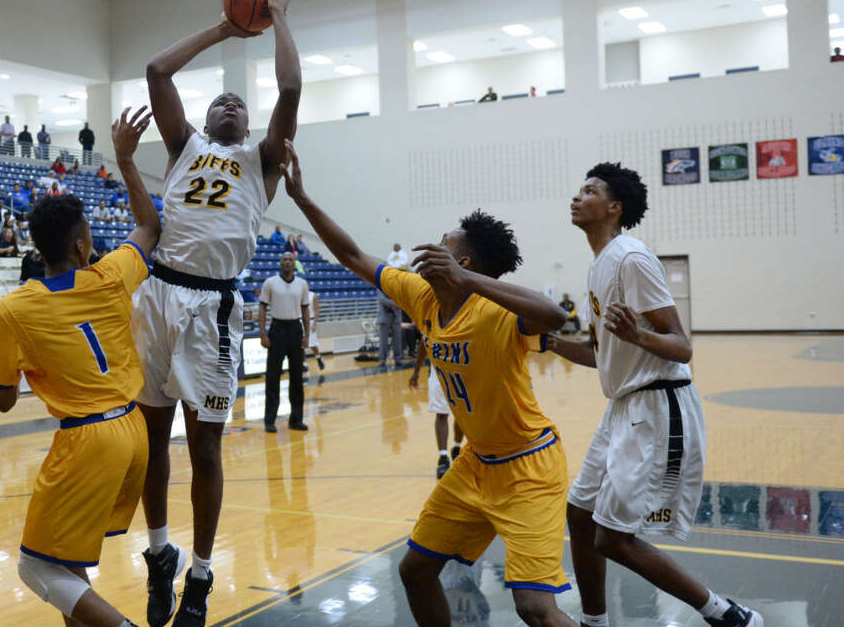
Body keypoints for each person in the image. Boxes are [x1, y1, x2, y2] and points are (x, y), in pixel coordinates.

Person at [278, 140, 576, 627]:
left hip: (529, 469)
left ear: (466, 265)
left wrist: (466, 281)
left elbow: (555, 317)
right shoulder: (421, 295)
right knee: (415, 570)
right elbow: (353, 255)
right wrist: (302, 199)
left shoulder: (496, 311)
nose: (434, 247)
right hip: (476, 464)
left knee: (535, 609)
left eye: (447, 246)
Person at [132, 0, 300, 626]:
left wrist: (276, 16)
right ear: (204, 119)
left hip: (214, 309)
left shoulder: (262, 163)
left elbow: (289, 87)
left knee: (203, 449)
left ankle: (199, 576)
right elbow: (155, 69)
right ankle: (157, 555)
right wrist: (224, 30)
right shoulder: (184, 147)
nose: (230, 102)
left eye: (239, 102)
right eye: (220, 100)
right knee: (151, 444)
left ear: (253, 125)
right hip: (157, 296)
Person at [547, 163, 761, 627]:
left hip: (658, 403)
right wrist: (549, 344)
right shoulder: (598, 265)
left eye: (589, 190)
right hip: (623, 405)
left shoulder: (632, 259)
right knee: (580, 513)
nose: (577, 196)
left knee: (612, 538)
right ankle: (594, 620)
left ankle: (726, 614)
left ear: (613, 207)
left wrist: (638, 336)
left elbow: (681, 346)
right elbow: (600, 355)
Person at [0, 106, 158, 627]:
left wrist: (27, 369)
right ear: (83, 245)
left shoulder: (15, 308)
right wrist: (125, 159)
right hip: (134, 428)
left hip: (86, 440)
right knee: (68, 565)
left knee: (35, 567)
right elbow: (150, 224)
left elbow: (4, 400)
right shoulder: (109, 275)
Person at [258, 251, 311, 433]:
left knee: (297, 376)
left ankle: (296, 419)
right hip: (277, 329)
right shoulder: (270, 283)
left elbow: (305, 310)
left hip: (295, 329)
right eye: (284, 260)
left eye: (290, 259)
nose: (287, 262)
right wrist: (263, 333)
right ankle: (269, 420)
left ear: (294, 262)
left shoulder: (302, 284)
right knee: (272, 377)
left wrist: (306, 335)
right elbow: (262, 309)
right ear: (280, 263)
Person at [408, 339, 465, 479]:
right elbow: (424, 342)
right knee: (441, 413)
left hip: (463, 368)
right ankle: (443, 458)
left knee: (463, 414)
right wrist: (416, 371)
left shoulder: (466, 318)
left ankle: (457, 448)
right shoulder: (431, 320)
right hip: (439, 370)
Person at [376, 287, 404, 366]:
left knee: (397, 339)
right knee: (383, 340)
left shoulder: (397, 288)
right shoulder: (380, 287)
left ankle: (398, 359)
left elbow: (402, 300)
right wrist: (395, 304)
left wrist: (392, 304)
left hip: (396, 316)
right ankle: (382, 360)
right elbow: (382, 300)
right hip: (384, 316)